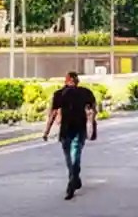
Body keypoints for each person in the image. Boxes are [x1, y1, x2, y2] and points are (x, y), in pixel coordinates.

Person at [42, 71, 98, 201]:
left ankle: (72, 179)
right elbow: (93, 111)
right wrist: (94, 128)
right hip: (79, 128)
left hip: (66, 130)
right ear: (77, 81)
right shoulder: (86, 92)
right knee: (76, 154)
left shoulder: (59, 93)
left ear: (66, 80)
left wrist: (46, 131)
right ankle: (74, 177)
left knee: (69, 156)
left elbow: (53, 114)